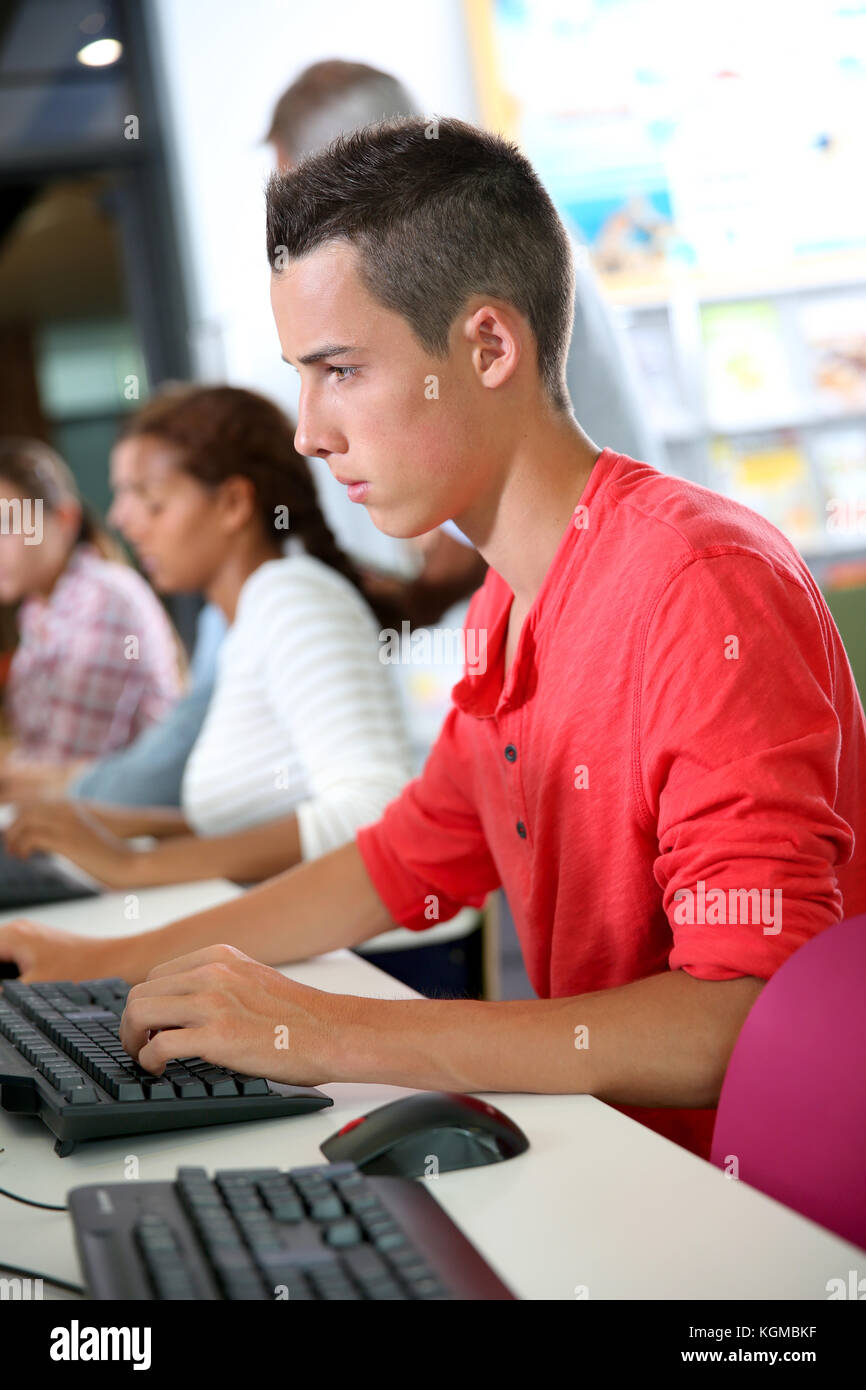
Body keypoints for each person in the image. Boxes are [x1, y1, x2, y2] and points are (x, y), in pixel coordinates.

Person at [3, 119, 864, 1164]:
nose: (309, 433)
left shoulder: (699, 587)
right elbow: (400, 857)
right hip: (604, 1156)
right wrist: (107, 960)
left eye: (340, 371)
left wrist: (329, 1030)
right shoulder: (509, 599)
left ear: (489, 346)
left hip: (732, 1211)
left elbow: (740, 1017)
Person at [4, 383, 413, 888]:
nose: (119, 519)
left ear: (233, 503)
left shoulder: (292, 598)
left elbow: (373, 812)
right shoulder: (240, 621)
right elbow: (265, 820)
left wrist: (136, 865)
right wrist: (124, 828)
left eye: (149, 500)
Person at [0, 436, 181, 788]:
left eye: (6, 524)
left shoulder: (101, 603)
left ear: (65, 519)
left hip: (127, 824)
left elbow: (67, 774)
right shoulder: (40, 607)